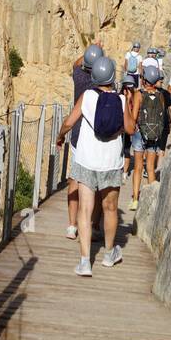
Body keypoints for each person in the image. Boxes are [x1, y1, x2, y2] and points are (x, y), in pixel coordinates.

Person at [57, 54, 136, 275]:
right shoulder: (120, 100)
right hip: (110, 162)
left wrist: (60, 136)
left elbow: (69, 122)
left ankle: (84, 261)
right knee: (110, 209)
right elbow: (130, 129)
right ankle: (109, 254)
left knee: (85, 209)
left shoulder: (87, 97)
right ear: (112, 76)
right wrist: (128, 101)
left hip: (86, 160)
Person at [65, 43, 103, 239]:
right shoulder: (102, 85)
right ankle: (94, 225)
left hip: (77, 135)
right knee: (95, 183)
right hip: (96, 137)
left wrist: (89, 49)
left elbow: (75, 63)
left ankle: (72, 226)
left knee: (75, 180)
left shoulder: (78, 76)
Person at [128, 60, 170, 210]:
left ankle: (135, 200)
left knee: (138, 167)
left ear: (145, 79)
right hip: (154, 135)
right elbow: (162, 116)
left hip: (140, 133)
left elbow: (134, 117)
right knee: (150, 167)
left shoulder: (139, 94)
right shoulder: (161, 96)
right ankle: (151, 202)